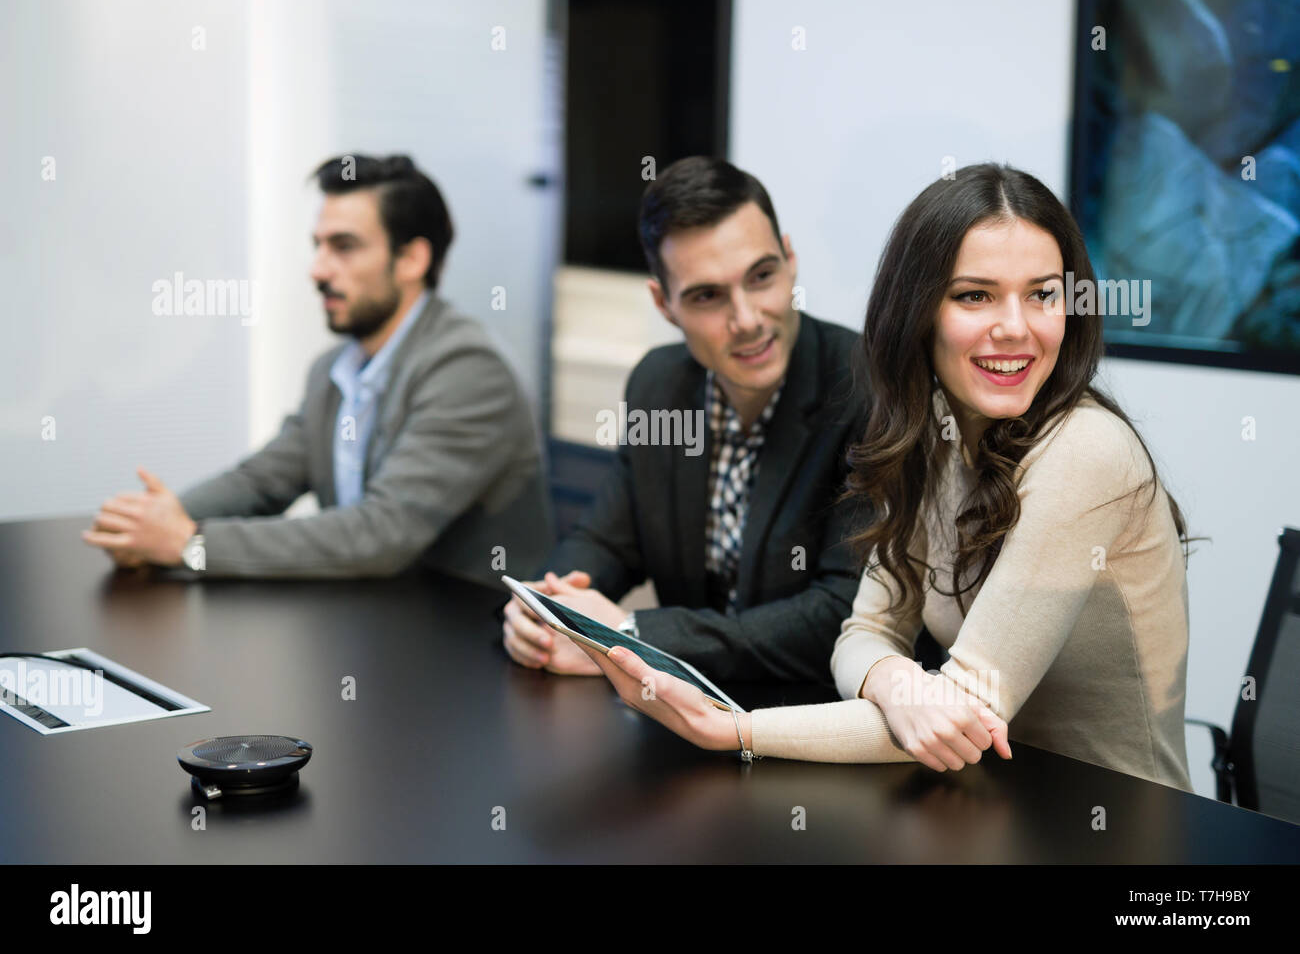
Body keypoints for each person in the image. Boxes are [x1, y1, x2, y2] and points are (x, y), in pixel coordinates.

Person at [574, 163, 1196, 792]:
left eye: (1042, 294)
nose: (1015, 326)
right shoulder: (931, 431)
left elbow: (965, 712)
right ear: (918, 312)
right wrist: (897, 683)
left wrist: (734, 730)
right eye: (975, 295)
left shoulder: (1084, 451)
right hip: (988, 804)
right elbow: (865, 631)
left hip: (1115, 828)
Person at [82, 154, 550, 585]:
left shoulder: (467, 370)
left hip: (466, 645)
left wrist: (189, 544)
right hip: (372, 623)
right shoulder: (336, 368)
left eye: (343, 247)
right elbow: (261, 482)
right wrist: (149, 525)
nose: (318, 270)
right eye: (318, 246)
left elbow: (383, 534)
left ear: (411, 259)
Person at [502, 156, 869, 686]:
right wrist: (544, 608)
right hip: (685, 716)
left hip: (816, 722)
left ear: (790, 260)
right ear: (664, 304)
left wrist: (630, 634)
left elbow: (841, 614)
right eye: (707, 296)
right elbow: (607, 542)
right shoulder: (660, 386)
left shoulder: (864, 388)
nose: (747, 320)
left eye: (762, 277)